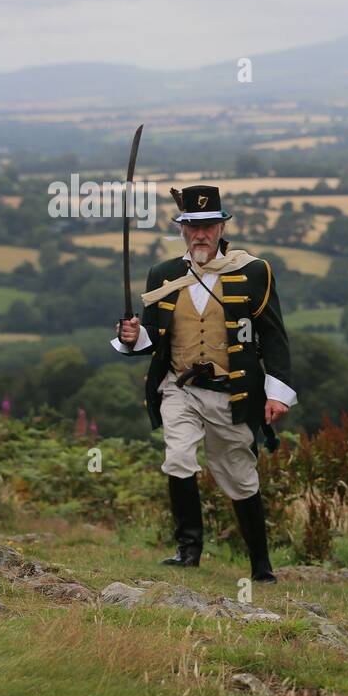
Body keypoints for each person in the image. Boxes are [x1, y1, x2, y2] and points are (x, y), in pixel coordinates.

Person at [113, 184, 295, 584]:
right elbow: (151, 337)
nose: (200, 234)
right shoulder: (164, 275)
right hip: (179, 387)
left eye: (208, 225)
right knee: (178, 458)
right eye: (192, 226)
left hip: (233, 392)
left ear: (221, 226)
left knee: (240, 476)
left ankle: (260, 564)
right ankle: (188, 549)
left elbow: (274, 335)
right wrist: (131, 337)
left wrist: (277, 393)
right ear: (182, 228)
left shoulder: (252, 271)